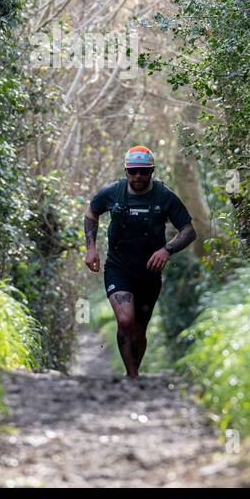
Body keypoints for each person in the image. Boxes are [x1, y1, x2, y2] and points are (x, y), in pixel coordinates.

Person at [84, 146, 197, 377]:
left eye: (143, 172)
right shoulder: (112, 192)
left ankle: (133, 373)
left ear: (152, 171)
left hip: (149, 272)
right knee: (125, 321)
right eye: (133, 171)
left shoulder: (164, 196)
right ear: (126, 170)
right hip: (118, 267)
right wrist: (91, 248)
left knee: (138, 329)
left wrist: (167, 250)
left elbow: (188, 230)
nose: (137, 176)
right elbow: (92, 212)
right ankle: (132, 376)